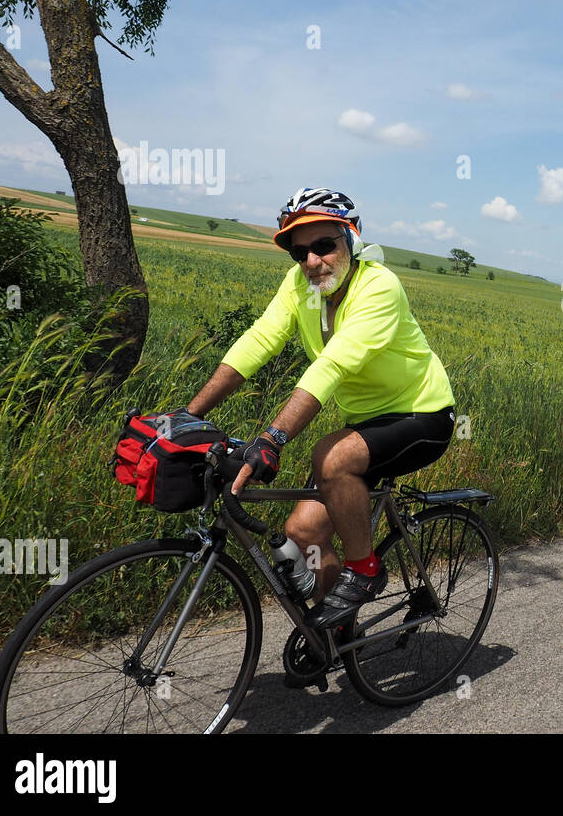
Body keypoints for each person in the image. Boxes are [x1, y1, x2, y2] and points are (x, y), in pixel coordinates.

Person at [184, 188, 456, 628]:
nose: (312, 262)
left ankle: (365, 568)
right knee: (303, 534)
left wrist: (273, 438)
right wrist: (189, 415)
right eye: (300, 253)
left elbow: (333, 365)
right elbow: (259, 341)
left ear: (350, 238)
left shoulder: (379, 287)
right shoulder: (301, 286)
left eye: (324, 246)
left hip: (422, 417)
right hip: (366, 423)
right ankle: (335, 635)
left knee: (331, 456)